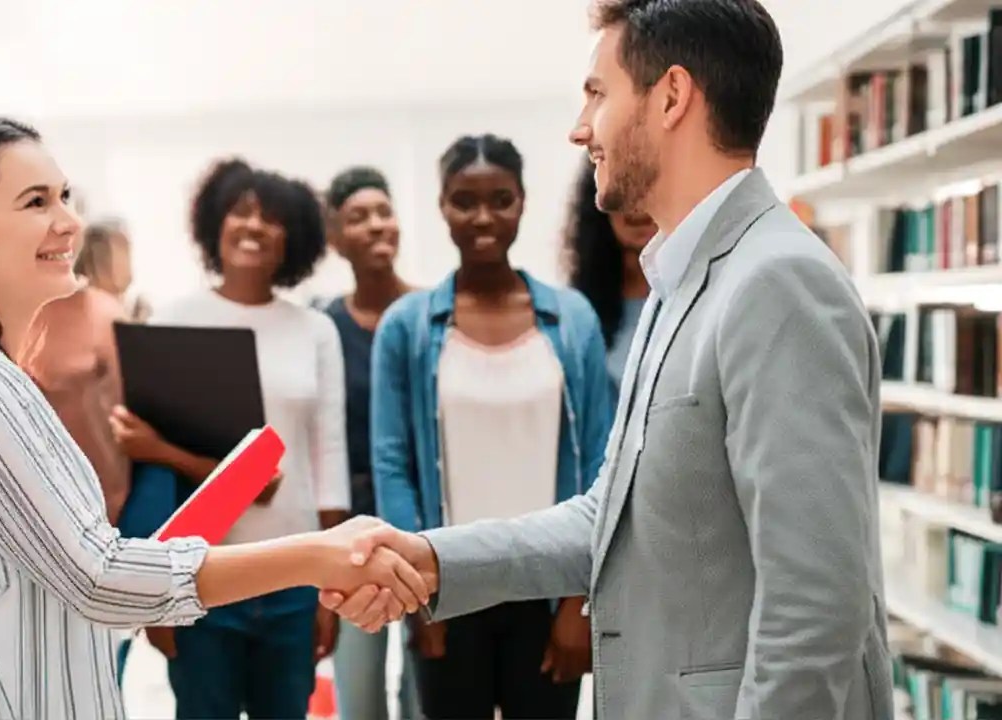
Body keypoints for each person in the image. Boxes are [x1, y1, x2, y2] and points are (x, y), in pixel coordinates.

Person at [324, 2, 894, 719]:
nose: (579, 127)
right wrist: (430, 557)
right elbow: (614, 517)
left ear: (672, 97)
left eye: (598, 93)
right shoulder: (678, 283)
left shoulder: (777, 282)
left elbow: (816, 604)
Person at [0, 116, 427, 719]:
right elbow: (98, 576)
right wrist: (318, 555)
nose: (69, 222)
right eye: (35, 202)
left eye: (65, 197)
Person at [369, 134, 615, 720]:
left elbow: (603, 465)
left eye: (500, 199)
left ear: (522, 203)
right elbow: (391, 462)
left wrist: (579, 603)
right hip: (447, 585)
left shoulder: (572, 318)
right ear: (442, 207)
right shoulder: (406, 326)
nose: (483, 216)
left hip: (549, 586)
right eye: (464, 200)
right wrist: (417, 596)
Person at [110, 158, 350, 720]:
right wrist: (154, 598)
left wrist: (331, 586)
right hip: (199, 573)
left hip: (296, 571)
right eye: (241, 212)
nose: (254, 227)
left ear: (295, 238)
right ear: (214, 223)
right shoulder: (174, 320)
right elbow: (153, 473)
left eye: (272, 218)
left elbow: (330, 458)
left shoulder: (315, 330)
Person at [319, 166, 420, 720]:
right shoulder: (325, 325)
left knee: (426, 696)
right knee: (358, 700)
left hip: (425, 528)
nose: (377, 225)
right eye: (359, 217)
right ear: (335, 238)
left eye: (384, 212)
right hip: (350, 540)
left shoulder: (430, 313)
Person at [20, 221, 133, 524]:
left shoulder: (104, 314)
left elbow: (139, 420)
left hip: (109, 513)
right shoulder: (1, 320)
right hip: (37, 516)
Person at [563, 157, 656, 393]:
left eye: (648, 187)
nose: (636, 206)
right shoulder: (575, 314)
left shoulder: (705, 297)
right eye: (622, 189)